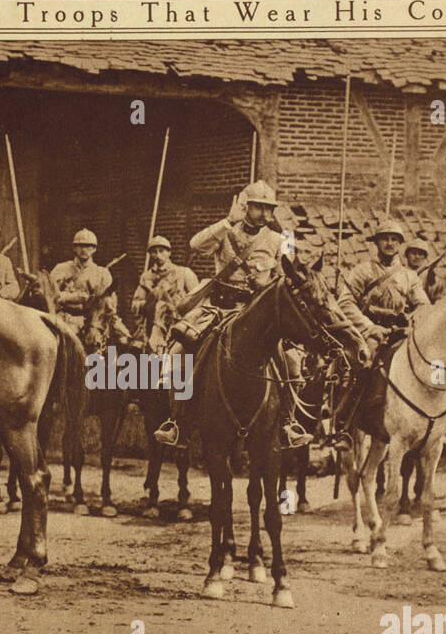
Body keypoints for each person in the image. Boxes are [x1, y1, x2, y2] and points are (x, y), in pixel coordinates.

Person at [154, 181, 360, 449]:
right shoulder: (225, 231)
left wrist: (269, 285)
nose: (264, 214)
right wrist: (227, 221)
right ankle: (177, 421)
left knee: (292, 362)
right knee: (179, 352)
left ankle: (288, 422)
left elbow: (288, 276)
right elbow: (195, 245)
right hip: (219, 308)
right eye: (259, 208)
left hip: (260, 314)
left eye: (268, 209)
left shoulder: (282, 239)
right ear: (245, 207)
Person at [341, 220, 430, 333]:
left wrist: (411, 320)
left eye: (394, 239)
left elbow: (423, 305)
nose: (390, 243)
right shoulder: (361, 271)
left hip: (400, 331)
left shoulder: (410, 276)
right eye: (385, 239)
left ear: (400, 243)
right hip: (370, 331)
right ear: (376, 242)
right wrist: (369, 327)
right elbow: (345, 303)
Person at [130, 235, 198, 354]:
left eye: (161, 251)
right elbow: (135, 305)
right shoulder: (146, 277)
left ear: (169, 252)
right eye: (154, 252)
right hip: (154, 326)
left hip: (179, 325)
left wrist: (177, 303)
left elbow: (197, 300)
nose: (158, 255)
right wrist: (153, 299)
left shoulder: (183, 273)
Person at [49, 228, 116, 337]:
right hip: (65, 317)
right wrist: (70, 297)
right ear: (74, 248)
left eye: (88, 246)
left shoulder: (102, 273)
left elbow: (109, 303)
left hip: (94, 321)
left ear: (94, 249)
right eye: (80, 246)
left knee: (123, 340)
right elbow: (50, 295)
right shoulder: (61, 269)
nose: (84, 249)